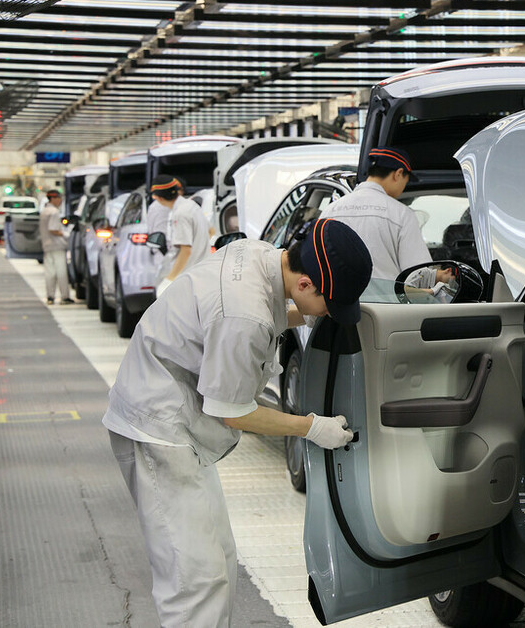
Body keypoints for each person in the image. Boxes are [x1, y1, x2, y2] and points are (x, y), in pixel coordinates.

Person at [103, 218, 372, 627]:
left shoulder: (260, 254)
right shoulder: (245, 318)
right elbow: (233, 410)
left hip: (178, 424)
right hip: (158, 431)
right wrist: (311, 427)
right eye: (329, 305)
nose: (329, 315)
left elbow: (271, 308)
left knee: (220, 562)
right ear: (304, 285)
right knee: (194, 581)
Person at [320, 146, 452, 286]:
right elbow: (417, 274)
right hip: (386, 305)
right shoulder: (401, 214)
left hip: (338, 304)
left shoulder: (330, 211)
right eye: (406, 180)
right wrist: (438, 277)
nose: (404, 187)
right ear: (398, 174)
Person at [150, 175, 210, 297]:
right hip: (200, 276)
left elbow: (185, 251)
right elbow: (211, 231)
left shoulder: (181, 214)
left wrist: (170, 279)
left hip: (186, 281)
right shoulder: (192, 206)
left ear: (159, 198)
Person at [38, 190, 73, 305]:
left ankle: (50, 296)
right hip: (57, 246)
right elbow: (53, 229)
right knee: (61, 272)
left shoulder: (44, 211)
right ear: (53, 199)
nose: (61, 201)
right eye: (59, 198)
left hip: (47, 246)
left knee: (49, 272)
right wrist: (64, 234)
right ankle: (65, 296)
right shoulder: (54, 212)